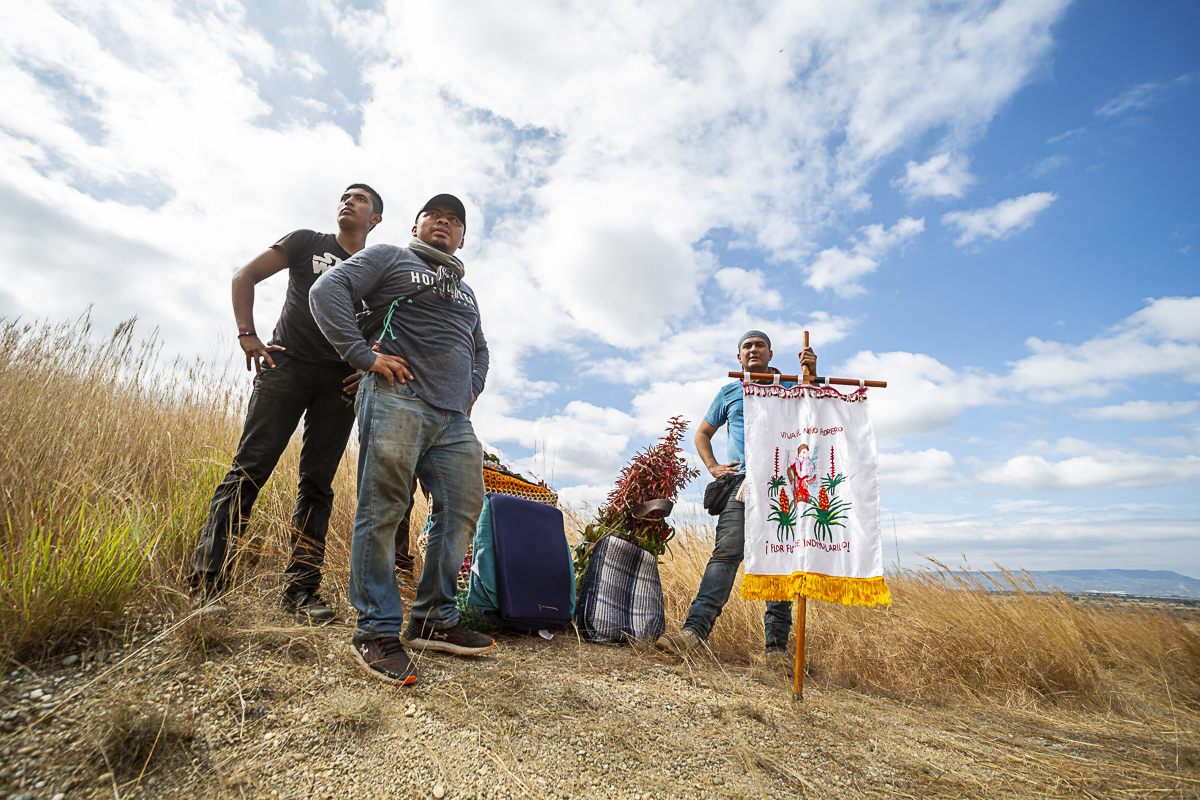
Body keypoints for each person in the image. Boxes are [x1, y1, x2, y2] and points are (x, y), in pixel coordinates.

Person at [310, 194, 492, 686]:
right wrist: (361, 356)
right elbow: (328, 290)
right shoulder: (392, 257)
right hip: (397, 397)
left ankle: (434, 617)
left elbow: (480, 347)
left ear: (462, 237)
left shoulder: (467, 291)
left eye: (455, 221)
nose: (445, 223)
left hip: (453, 419)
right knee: (384, 506)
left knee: (462, 509)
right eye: (435, 215)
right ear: (417, 224)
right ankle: (375, 629)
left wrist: (472, 387)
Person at [188, 184, 384, 623]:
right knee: (249, 469)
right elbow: (244, 276)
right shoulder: (306, 242)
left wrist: (367, 366)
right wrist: (247, 335)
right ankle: (207, 584)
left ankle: (301, 592)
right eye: (345, 196)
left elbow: (388, 327)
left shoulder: (377, 269)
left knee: (318, 485)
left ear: (376, 219)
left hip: (340, 386)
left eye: (361, 199)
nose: (347, 201)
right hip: (286, 368)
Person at [656, 330, 801, 661]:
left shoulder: (792, 389)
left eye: (759, 345)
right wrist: (713, 466)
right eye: (746, 346)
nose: (753, 350)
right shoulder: (731, 391)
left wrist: (810, 373)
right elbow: (703, 433)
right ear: (739, 357)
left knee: (778, 562)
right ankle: (693, 634)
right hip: (741, 484)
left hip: (783, 485)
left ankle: (776, 652)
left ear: (770, 353)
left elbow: (818, 411)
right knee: (726, 554)